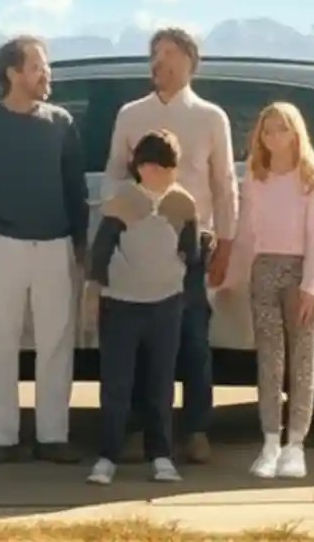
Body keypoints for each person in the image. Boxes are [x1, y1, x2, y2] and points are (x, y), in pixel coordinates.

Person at [102, 27, 239, 464]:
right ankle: (141, 431)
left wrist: (227, 244)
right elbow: (113, 175)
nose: (158, 62)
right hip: (140, 243)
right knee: (143, 340)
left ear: (188, 60)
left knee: (193, 337)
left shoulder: (211, 117)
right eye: (154, 54)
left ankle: (196, 429)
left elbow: (224, 184)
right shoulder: (130, 114)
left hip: (193, 241)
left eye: (167, 53)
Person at [0, 35, 88, 467]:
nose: (46, 74)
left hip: (55, 247)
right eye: (38, 66)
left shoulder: (61, 123)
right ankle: (2, 439)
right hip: (0, 246)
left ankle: (53, 436)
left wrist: (81, 246)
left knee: (56, 344)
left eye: (45, 66)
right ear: (13, 73)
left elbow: (75, 190)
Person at [83, 129, 201, 485]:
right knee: (117, 383)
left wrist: (184, 292)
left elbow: (192, 254)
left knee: (161, 384)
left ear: (174, 169)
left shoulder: (183, 204)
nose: (155, 173)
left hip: (166, 305)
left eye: (164, 166)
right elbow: (100, 252)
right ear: (138, 167)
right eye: (148, 165)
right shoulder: (122, 201)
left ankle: (162, 456)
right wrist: (95, 295)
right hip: (121, 305)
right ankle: (107, 456)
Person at [233, 101, 314, 479]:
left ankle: (296, 444)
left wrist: (309, 284)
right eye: (267, 130)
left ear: (296, 134)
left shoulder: (310, 179)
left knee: (301, 359)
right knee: (269, 359)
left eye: (281, 129)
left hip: (300, 272)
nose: (274, 137)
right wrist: (232, 276)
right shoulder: (255, 177)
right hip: (264, 270)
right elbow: (246, 233)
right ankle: (270, 441)